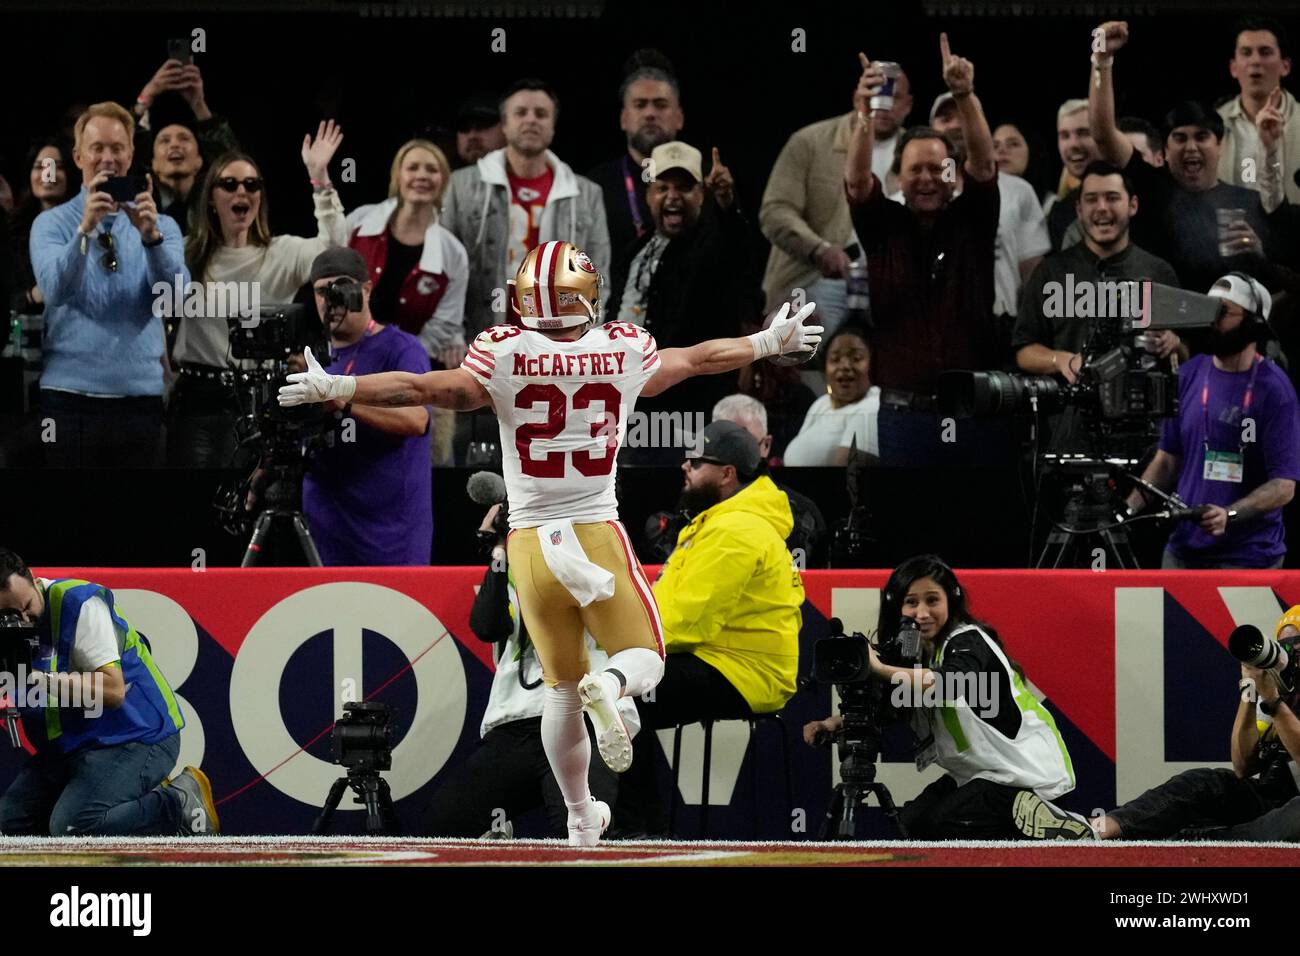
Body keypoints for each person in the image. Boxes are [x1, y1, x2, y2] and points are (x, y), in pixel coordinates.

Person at [278, 239, 822, 845]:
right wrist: (768, 344)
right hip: (594, 529)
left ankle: (580, 815)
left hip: (530, 545)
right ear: (586, 296)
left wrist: (343, 389)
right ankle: (611, 687)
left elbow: (428, 389)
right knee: (644, 658)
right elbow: (696, 360)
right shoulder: (620, 348)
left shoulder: (503, 352)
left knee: (560, 692)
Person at [803, 554, 1091, 840]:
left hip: (1022, 771)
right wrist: (832, 723)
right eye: (911, 602)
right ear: (897, 607)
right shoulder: (917, 656)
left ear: (950, 602)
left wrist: (878, 668)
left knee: (944, 823)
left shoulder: (968, 639)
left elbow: (948, 684)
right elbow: (889, 709)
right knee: (910, 826)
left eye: (932, 600)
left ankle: (1046, 816)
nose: (922, 613)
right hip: (976, 776)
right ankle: (1015, 818)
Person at [614, 421, 805, 835]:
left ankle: (635, 830)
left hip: (744, 674)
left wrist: (621, 643)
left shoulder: (736, 529)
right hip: (725, 661)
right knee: (618, 686)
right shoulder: (721, 522)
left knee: (618, 694)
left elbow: (687, 623)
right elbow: (671, 608)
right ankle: (637, 825)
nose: (685, 466)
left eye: (697, 461)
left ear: (727, 474)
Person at [421, 499, 637, 838]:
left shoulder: (601, 543)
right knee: (446, 824)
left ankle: (597, 817)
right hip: (517, 723)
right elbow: (487, 626)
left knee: (578, 836)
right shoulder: (517, 559)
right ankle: (506, 834)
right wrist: (499, 552)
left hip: (587, 718)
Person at [845, 40, 1005, 464]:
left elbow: (985, 164)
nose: (927, 178)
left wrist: (964, 95)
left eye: (938, 168)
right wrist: (864, 115)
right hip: (903, 414)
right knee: (905, 526)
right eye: (915, 169)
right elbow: (858, 181)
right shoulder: (883, 226)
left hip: (974, 410)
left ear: (953, 174)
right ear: (898, 176)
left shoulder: (973, 218)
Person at [0, 548, 218, 836]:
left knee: (73, 827)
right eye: (11, 615)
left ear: (33, 579)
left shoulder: (81, 604)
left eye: (28, 606)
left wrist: (37, 678)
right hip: (70, 747)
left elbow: (114, 691)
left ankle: (178, 804)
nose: (25, 620)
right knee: (7, 826)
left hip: (136, 735)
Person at [169, 123, 348, 468]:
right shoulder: (187, 254)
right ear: (211, 196)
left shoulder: (280, 252)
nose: (242, 192)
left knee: (255, 504)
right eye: (230, 184)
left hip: (258, 398)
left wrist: (320, 179)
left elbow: (334, 253)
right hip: (197, 399)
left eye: (252, 185)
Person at [29, 102, 187, 467]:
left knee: (135, 521)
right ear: (78, 155)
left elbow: (177, 300)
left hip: (139, 398)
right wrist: (84, 231)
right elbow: (54, 290)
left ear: (131, 155)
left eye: (117, 148)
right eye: (97, 148)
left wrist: (151, 239)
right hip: (67, 397)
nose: (107, 158)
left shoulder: (164, 226)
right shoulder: (51, 224)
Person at [1124, 273, 1300, 569]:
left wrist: (1229, 515)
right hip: (1183, 552)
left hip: (1248, 558)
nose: (1212, 320)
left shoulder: (1275, 391)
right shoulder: (1190, 374)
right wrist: (1127, 510)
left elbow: (1284, 485)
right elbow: (1167, 461)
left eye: (1223, 312)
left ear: (1252, 323)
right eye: (1209, 309)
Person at [1089, 21, 1278, 297]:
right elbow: (1103, 134)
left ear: (1220, 146)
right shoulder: (1150, 187)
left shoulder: (1247, 203)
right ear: (1164, 151)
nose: (1190, 147)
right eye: (1180, 138)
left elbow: (1273, 288)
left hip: (1227, 331)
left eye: (1201, 137)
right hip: (1159, 329)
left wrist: (1259, 256)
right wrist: (1101, 59)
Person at [606, 141, 763, 459]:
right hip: (632, 404)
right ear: (648, 195)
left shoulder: (712, 244)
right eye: (662, 187)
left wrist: (726, 204)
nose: (672, 196)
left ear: (701, 195)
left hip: (691, 408)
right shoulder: (634, 251)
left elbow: (739, 251)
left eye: (685, 187)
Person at [1013, 160, 1181, 453]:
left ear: (1133, 205)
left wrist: (1174, 342)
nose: (1101, 208)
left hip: (1145, 437)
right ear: (1079, 211)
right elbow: (1023, 351)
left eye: (1112, 198)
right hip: (1070, 433)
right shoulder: (1051, 273)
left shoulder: (1159, 272)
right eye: (1091, 199)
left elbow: (1189, 354)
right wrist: (1060, 359)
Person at [1094, 605, 1300, 841]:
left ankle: (1198, 839)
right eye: (1286, 646)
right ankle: (1099, 828)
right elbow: (1243, 766)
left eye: (1297, 645)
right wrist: (1250, 692)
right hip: (1270, 797)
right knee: (1204, 783)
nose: (1292, 653)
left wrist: (1274, 703)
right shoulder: (1280, 690)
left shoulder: (1276, 700)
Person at [440, 78, 610, 341]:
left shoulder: (586, 193)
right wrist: (451, 335)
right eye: (521, 113)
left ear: (553, 126)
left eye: (541, 114)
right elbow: (444, 266)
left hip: (560, 338)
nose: (531, 120)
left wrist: (588, 339)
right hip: (481, 333)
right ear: (505, 126)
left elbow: (599, 275)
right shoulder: (461, 185)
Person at [297, 248, 433, 566]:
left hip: (391, 532)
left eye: (340, 286)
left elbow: (416, 420)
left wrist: (345, 402)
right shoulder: (309, 356)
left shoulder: (401, 349)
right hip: (325, 527)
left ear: (367, 289)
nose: (331, 298)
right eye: (321, 290)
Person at [759, 63, 911, 330]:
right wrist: (820, 250)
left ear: (908, 105)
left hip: (888, 287)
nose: (884, 105)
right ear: (857, 97)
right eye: (876, 94)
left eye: (894, 97)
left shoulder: (914, 153)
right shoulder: (810, 142)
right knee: (804, 357)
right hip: (813, 280)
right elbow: (775, 212)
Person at [347, 139, 468, 466]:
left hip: (416, 374)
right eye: (412, 167)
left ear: (443, 180)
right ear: (397, 177)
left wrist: (397, 357)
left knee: (426, 475)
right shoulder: (360, 223)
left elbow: (445, 324)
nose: (422, 175)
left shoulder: (453, 252)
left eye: (432, 169)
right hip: (351, 365)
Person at [928, 95, 1050, 355]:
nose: (955, 125)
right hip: (930, 328)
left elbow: (1033, 275)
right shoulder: (916, 194)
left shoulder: (1017, 190)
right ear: (930, 129)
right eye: (945, 118)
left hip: (998, 328)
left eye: (964, 114)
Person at [586, 52, 686, 258]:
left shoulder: (707, 183)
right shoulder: (595, 188)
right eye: (640, 105)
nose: (650, 114)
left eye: (661, 104)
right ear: (623, 119)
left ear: (679, 118)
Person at [131, 58, 241, 234]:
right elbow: (119, 154)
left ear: (199, 160)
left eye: (184, 139)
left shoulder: (216, 205)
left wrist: (199, 105)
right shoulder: (135, 204)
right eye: (164, 140)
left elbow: (236, 168)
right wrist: (146, 98)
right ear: (153, 164)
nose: (175, 144)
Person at [1217, 18, 1298, 206]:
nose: (1255, 61)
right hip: (1230, 230)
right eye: (1246, 53)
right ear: (1233, 67)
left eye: (1265, 52)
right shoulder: (1214, 124)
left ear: (1285, 66)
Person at [782, 323, 880, 466]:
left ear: (873, 364)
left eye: (857, 358)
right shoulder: (822, 403)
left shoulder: (872, 405)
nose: (845, 366)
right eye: (835, 359)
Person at [8, 137, 75, 316]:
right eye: (40, 167)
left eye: (57, 167)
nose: (48, 174)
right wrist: (31, 296)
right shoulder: (11, 232)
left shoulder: (87, 227)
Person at [1044, 99, 1101, 251]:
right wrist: (1071, 276)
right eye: (1064, 135)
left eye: (1083, 133)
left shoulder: (1137, 194)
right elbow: (1068, 272)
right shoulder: (1060, 212)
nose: (1073, 144)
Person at [453, 95, 506, 168]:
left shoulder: (524, 176)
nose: (472, 136)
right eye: (464, 128)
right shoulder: (445, 178)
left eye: (483, 125)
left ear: (506, 129)